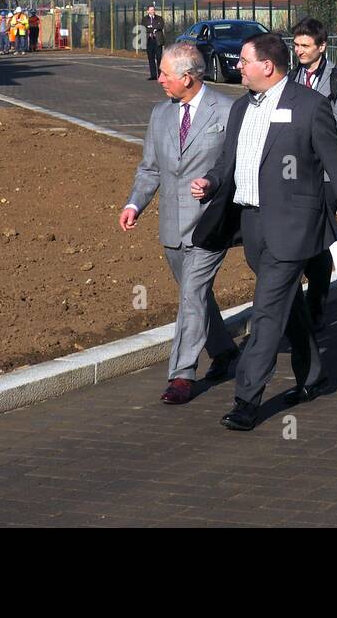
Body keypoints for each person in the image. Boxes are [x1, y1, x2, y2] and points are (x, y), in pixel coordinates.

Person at [191, 33, 337, 432]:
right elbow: (228, 163)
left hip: (294, 226)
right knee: (287, 303)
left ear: (267, 66)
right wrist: (211, 182)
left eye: (243, 60)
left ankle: (246, 398)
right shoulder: (241, 108)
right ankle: (314, 375)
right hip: (252, 225)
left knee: (268, 310)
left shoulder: (308, 106)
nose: (238, 66)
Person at [120, 42, 241, 405]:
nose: (159, 79)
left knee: (192, 293)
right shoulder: (160, 114)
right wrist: (134, 204)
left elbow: (237, 165)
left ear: (187, 77)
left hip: (211, 223)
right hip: (172, 225)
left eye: (165, 74)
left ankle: (181, 375)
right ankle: (225, 352)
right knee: (196, 294)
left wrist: (216, 186)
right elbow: (150, 169)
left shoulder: (229, 110)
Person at [288, 16, 337, 327]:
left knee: (320, 237)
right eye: (296, 44)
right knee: (294, 236)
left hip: (326, 175)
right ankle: (295, 302)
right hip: (293, 173)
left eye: (305, 45)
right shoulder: (290, 77)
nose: (299, 50)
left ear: (322, 46)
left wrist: (309, 117)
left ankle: (316, 304)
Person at [143, 5, 166, 80]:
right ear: (148, 11)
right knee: (151, 58)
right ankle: (153, 75)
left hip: (157, 40)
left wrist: (151, 27)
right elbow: (144, 28)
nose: (153, 11)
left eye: (153, 10)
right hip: (149, 40)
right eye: (151, 10)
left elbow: (161, 26)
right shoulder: (144, 19)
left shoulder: (159, 18)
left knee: (159, 57)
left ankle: (160, 75)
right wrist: (154, 28)